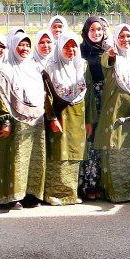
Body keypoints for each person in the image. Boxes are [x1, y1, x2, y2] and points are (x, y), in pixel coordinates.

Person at [0, 31, 48, 208]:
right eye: (21, 44)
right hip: (15, 120)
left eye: (27, 45)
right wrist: (5, 120)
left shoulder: (33, 69)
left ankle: (31, 194)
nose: (24, 48)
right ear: (13, 46)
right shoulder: (5, 70)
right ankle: (13, 196)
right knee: (17, 157)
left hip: (36, 120)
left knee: (35, 157)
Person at [97, 24, 130, 203]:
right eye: (121, 36)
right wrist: (112, 56)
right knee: (115, 149)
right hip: (114, 111)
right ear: (115, 38)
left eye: (128, 36)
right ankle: (116, 192)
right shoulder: (112, 54)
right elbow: (106, 62)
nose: (125, 40)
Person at [43, 32, 88, 205]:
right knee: (58, 153)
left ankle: (70, 193)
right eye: (66, 46)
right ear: (59, 48)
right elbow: (46, 96)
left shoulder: (81, 67)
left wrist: (89, 120)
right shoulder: (50, 68)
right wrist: (52, 118)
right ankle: (54, 194)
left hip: (77, 115)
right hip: (59, 116)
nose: (71, 50)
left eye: (74, 46)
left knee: (74, 153)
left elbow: (88, 95)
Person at [78, 16, 108, 200]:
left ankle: (103, 183)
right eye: (92, 30)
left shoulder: (108, 51)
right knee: (88, 141)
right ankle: (87, 185)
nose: (96, 33)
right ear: (86, 32)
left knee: (102, 141)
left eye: (99, 30)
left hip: (105, 100)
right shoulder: (79, 50)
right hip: (88, 100)